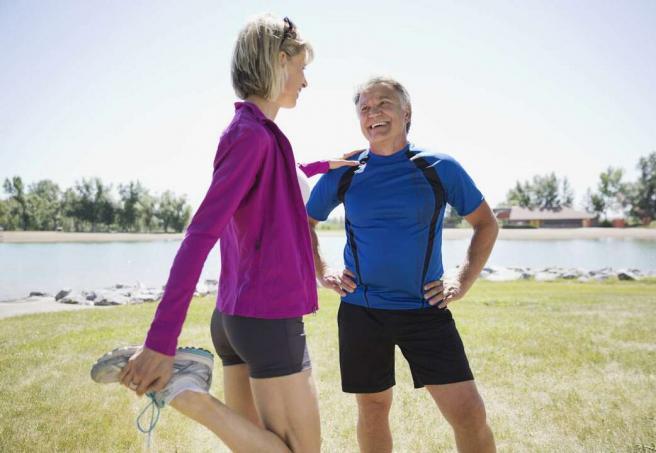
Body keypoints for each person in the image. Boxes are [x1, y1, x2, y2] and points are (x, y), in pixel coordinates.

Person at [96, 15, 358, 452]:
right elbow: (199, 236)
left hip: (238, 317)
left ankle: (184, 386)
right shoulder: (252, 137)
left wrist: (323, 165)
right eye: (301, 68)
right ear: (278, 61)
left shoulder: (260, 135)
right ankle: (183, 389)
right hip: (267, 319)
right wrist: (160, 341)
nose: (305, 82)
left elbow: (281, 179)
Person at [306, 76, 499, 453]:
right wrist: (323, 270)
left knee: (468, 411)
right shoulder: (344, 171)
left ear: (406, 112)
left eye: (384, 104)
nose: (373, 113)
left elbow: (486, 223)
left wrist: (461, 279)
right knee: (374, 408)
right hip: (362, 312)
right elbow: (305, 223)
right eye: (364, 108)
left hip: (425, 310)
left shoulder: (439, 167)